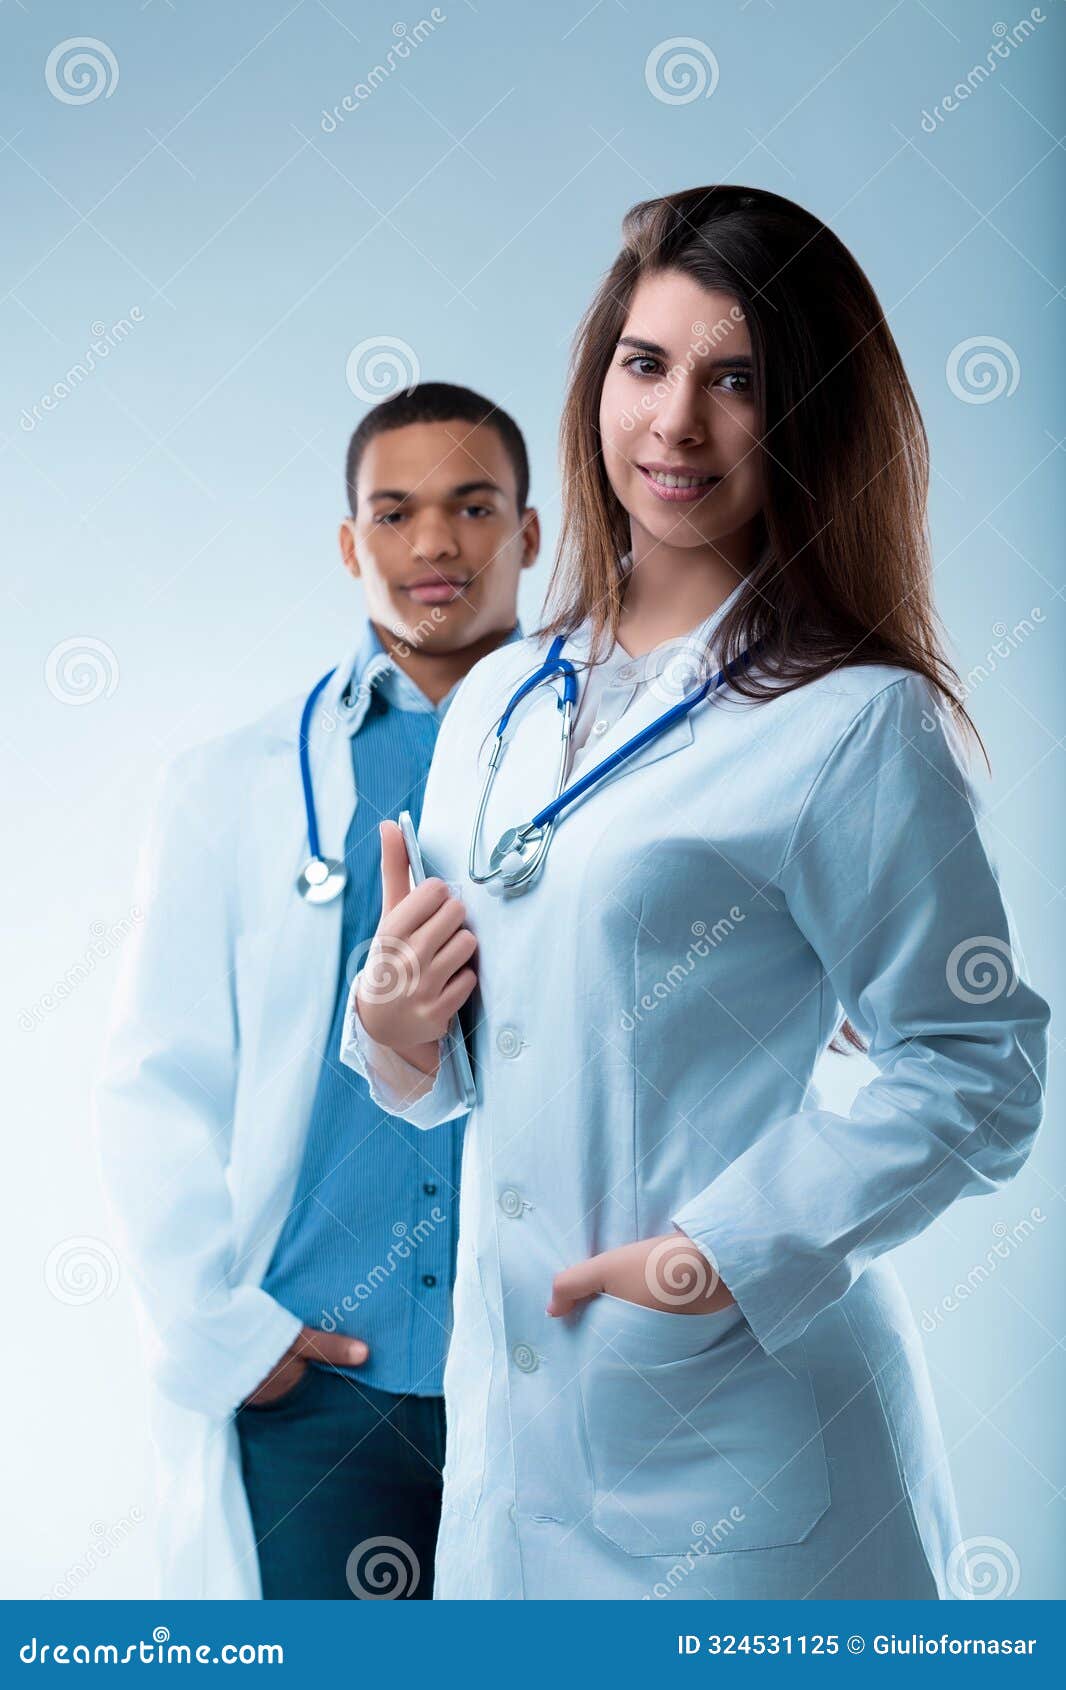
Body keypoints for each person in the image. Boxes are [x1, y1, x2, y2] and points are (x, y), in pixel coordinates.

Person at [340, 187, 1051, 1600]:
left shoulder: (851, 722)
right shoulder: (497, 700)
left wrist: (716, 1254)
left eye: (736, 381)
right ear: (597, 380)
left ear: (806, 417)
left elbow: (977, 1065)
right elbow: (496, 1050)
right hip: (517, 1446)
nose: (674, 423)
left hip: (740, 1454)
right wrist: (397, 1032)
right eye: (645, 364)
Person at [95, 382, 539, 1599]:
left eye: (473, 507)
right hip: (321, 1391)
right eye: (394, 513)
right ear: (350, 544)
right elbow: (154, 1081)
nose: (434, 543)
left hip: (555, 1371)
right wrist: (225, 1331)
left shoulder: (612, 762)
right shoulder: (228, 784)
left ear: (530, 533)